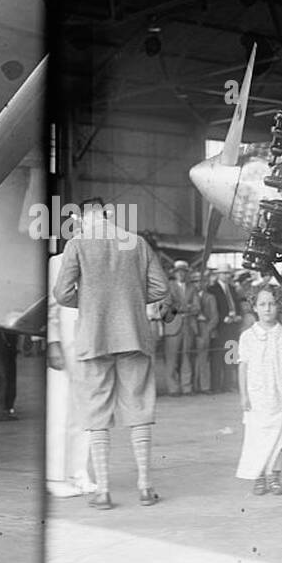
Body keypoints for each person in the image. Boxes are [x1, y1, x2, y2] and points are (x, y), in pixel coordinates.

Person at [53, 198, 170, 510]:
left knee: (96, 412)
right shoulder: (137, 242)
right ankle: (145, 487)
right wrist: (129, 299)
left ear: (83, 218)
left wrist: (92, 305)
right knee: (139, 407)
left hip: (94, 339)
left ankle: (103, 491)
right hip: (133, 336)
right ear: (107, 215)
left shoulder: (77, 245)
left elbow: (62, 293)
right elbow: (160, 289)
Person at [235, 283, 282, 496]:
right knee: (257, 437)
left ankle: (275, 476)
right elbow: (243, 367)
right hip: (257, 395)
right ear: (254, 307)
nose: (267, 308)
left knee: (280, 437)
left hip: (280, 394)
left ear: (279, 305)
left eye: (272, 303)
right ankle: (259, 476)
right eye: (262, 304)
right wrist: (244, 395)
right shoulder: (247, 336)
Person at [46, 249, 96, 498]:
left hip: (90, 344)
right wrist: (53, 342)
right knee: (61, 412)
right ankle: (55, 477)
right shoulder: (58, 262)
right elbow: (51, 305)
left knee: (84, 412)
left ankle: (79, 473)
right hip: (65, 343)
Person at [162, 259, 196, 396]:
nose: (181, 274)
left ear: (187, 274)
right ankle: (173, 388)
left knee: (186, 357)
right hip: (173, 328)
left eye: (183, 272)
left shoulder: (192, 288)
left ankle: (187, 387)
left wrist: (178, 307)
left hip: (187, 327)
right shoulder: (168, 287)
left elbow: (197, 307)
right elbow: (165, 308)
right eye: (178, 272)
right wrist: (185, 307)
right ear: (175, 273)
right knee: (172, 359)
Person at [208, 269, 243, 392]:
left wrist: (238, 315)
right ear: (219, 275)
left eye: (228, 273)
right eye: (224, 273)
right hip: (220, 327)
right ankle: (216, 386)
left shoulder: (233, 289)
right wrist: (223, 318)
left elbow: (237, 305)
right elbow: (212, 308)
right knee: (217, 357)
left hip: (232, 327)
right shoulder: (212, 289)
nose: (227, 276)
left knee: (231, 357)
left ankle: (229, 384)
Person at [189, 270, 219, 394]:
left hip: (203, 330)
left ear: (205, 283)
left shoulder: (210, 297)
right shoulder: (189, 296)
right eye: (195, 282)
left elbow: (215, 317)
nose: (197, 284)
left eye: (200, 282)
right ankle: (193, 386)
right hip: (190, 330)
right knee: (190, 359)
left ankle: (204, 387)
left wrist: (207, 330)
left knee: (203, 359)